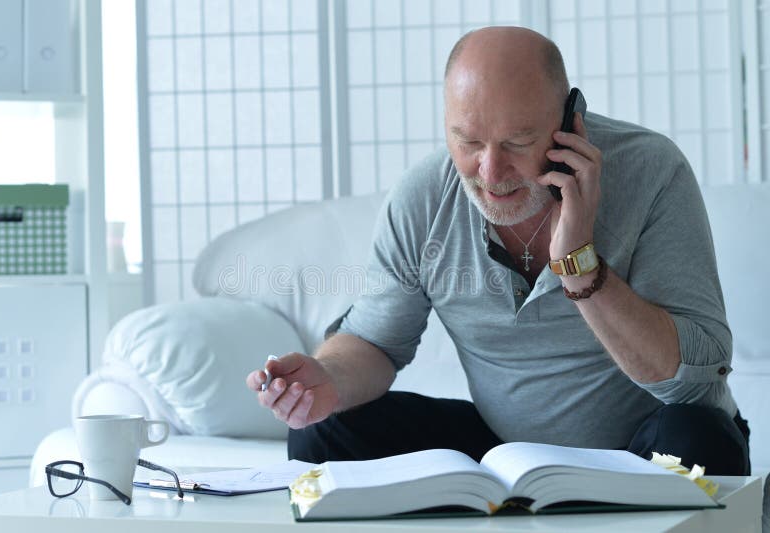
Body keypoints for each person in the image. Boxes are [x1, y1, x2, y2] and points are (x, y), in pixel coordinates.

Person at [245, 26, 750, 475]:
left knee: (701, 440)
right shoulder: (424, 196)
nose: (489, 172)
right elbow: (375, 343)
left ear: (572, 121)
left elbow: (691, 388)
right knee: (322, 432)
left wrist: (578, 262)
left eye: (517, 142)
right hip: (507, 450)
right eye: (467, 141)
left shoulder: (652, 172)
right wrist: (325, 381)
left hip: (644, 447)